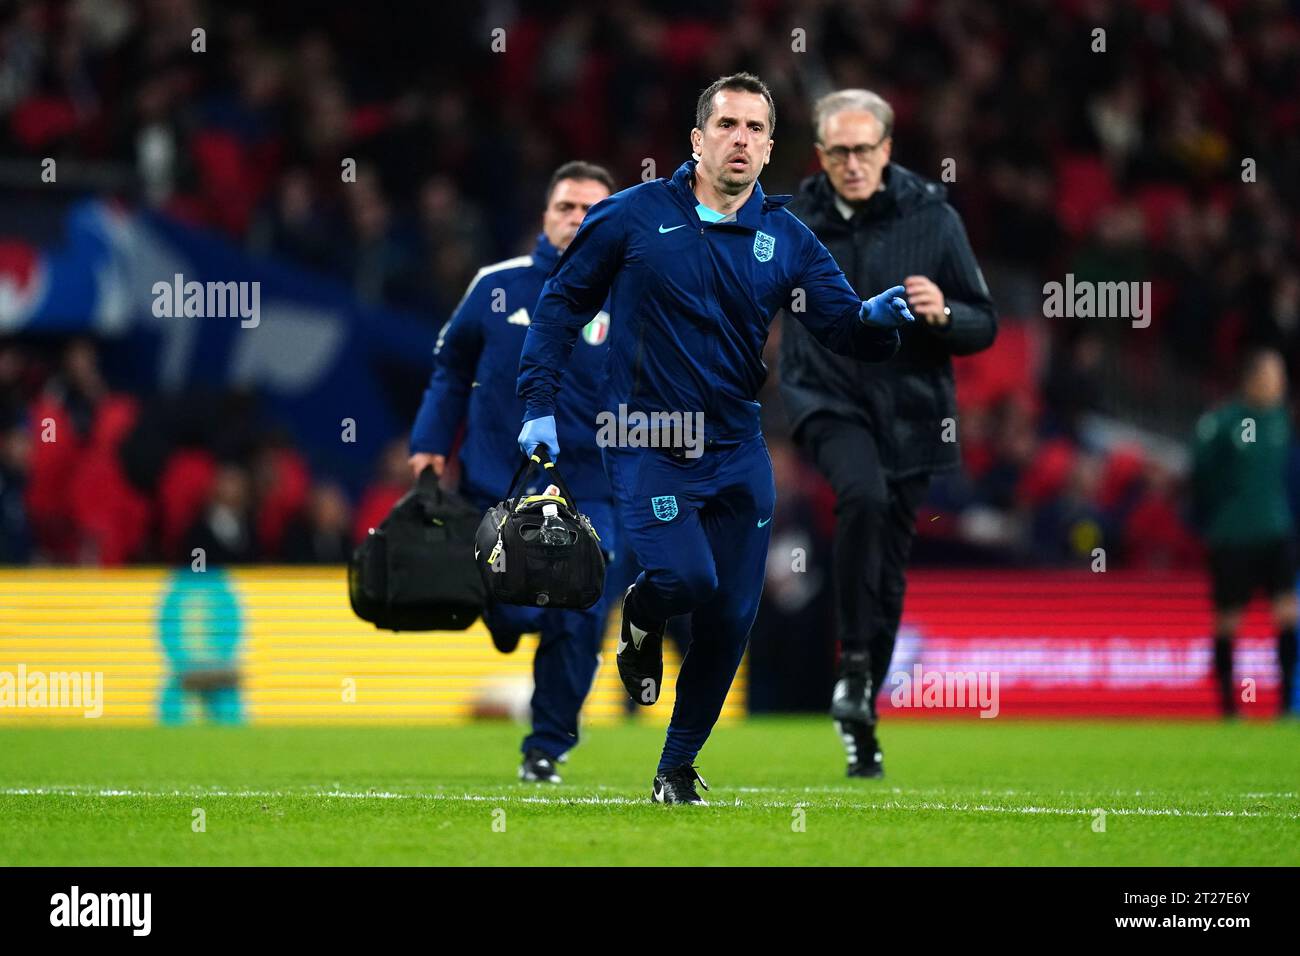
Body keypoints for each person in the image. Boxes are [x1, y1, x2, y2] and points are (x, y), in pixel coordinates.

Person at [516, 73, 915, 804]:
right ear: (698, 140)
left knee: (732, 615)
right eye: (726, 125)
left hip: (735, 444)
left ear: (769, 148)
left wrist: (880, 322)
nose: (741, 139)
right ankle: (640, 613)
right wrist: (537, 399)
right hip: (644, 436)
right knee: (688, 582)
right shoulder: (631, 216)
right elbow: (561, 301)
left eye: (755, 128)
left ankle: (676, 767)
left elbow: (842, 324)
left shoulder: (786, 237)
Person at [779, 89, 997, 777]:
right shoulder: (790, 219)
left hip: (911, 410)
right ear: (820, 155)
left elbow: (982, 322)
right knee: (862, 497)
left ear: (887, 149)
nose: (851, 162)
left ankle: (862, 711)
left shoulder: (932, 218)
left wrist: (943, 314)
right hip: (827, 395)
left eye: (863, 149)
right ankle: (850, 665)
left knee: (893, 571)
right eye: (838, 151)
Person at [409, 161, 620, 782]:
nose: (576, 219)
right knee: (513, 604)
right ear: (544, 215)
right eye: (565, 207)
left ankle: (547, 747)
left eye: (591, 210)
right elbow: (450, 369)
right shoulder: (495, 286)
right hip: (492, 484)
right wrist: (428, 442)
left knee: (580, 609)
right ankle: (507, 617)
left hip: (593, 490)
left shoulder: (634, 292)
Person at [1191, 348, 1297, 718]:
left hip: (1276, 530)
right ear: (1251, 379)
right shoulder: (1223, 422)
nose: (1278, 383)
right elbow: (1200, 476)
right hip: (1233, 536)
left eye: (1280, 375)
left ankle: (1285, 704)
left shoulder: (1282, 420)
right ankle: (1228, 707)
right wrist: (1218, 514)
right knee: (1228, 619)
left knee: (1287, 613)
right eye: (1272, 375)